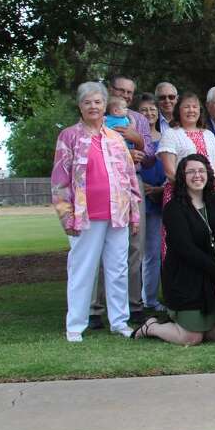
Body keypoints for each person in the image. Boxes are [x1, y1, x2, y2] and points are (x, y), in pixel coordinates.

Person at [50, 81, 142, 341]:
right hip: (85, 216)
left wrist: (134, 213)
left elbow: (129, 179)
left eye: (98, 102)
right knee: (82, 269)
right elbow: (59, 180)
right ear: (80, 106)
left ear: (105, 106)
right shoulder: (69, 136)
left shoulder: (115, 138)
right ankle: (75, 325)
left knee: (117, 268)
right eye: (87, 102)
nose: (93, 106)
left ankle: (120, 322)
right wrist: (65, 214)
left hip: (118, 213)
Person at [135, 154, 215, 345]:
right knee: (192, 338)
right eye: (190, 171)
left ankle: (187, 322)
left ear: (208, 174)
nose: (197, 175)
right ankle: (152, 327)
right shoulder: (174, 208)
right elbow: (186, 249)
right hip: (186, 278)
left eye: (201, 171)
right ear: (182, 176)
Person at [90, 74, 149, 328]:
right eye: (120, 90)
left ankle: (133, 305)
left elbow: (152, 156)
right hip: (103, 187)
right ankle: (94, 308)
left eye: (129, 92)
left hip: (133, 183)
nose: (125, 95)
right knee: (98, 246)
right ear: (109, 90)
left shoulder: (139, 119)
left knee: (135, 247)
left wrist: (137, 142)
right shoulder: (96, 118)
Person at [157, 91, 215, 216]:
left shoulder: (209, 135)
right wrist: (192, 194)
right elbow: (169, 171)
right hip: (180, 196)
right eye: (186, 107)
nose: (191, 110)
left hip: (209, 197)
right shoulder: (171, 134)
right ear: (178, 110)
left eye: (195, 106)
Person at [136, 93, 166, 312]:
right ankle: (133, 298)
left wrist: (160, 189)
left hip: (159, 200)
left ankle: (151, 299)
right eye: (144, 110)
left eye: (152, 110)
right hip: (136, 199)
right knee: (134, 253)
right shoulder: (133, 138)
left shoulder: (165, 137)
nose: (149, 114)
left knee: (154, 253)